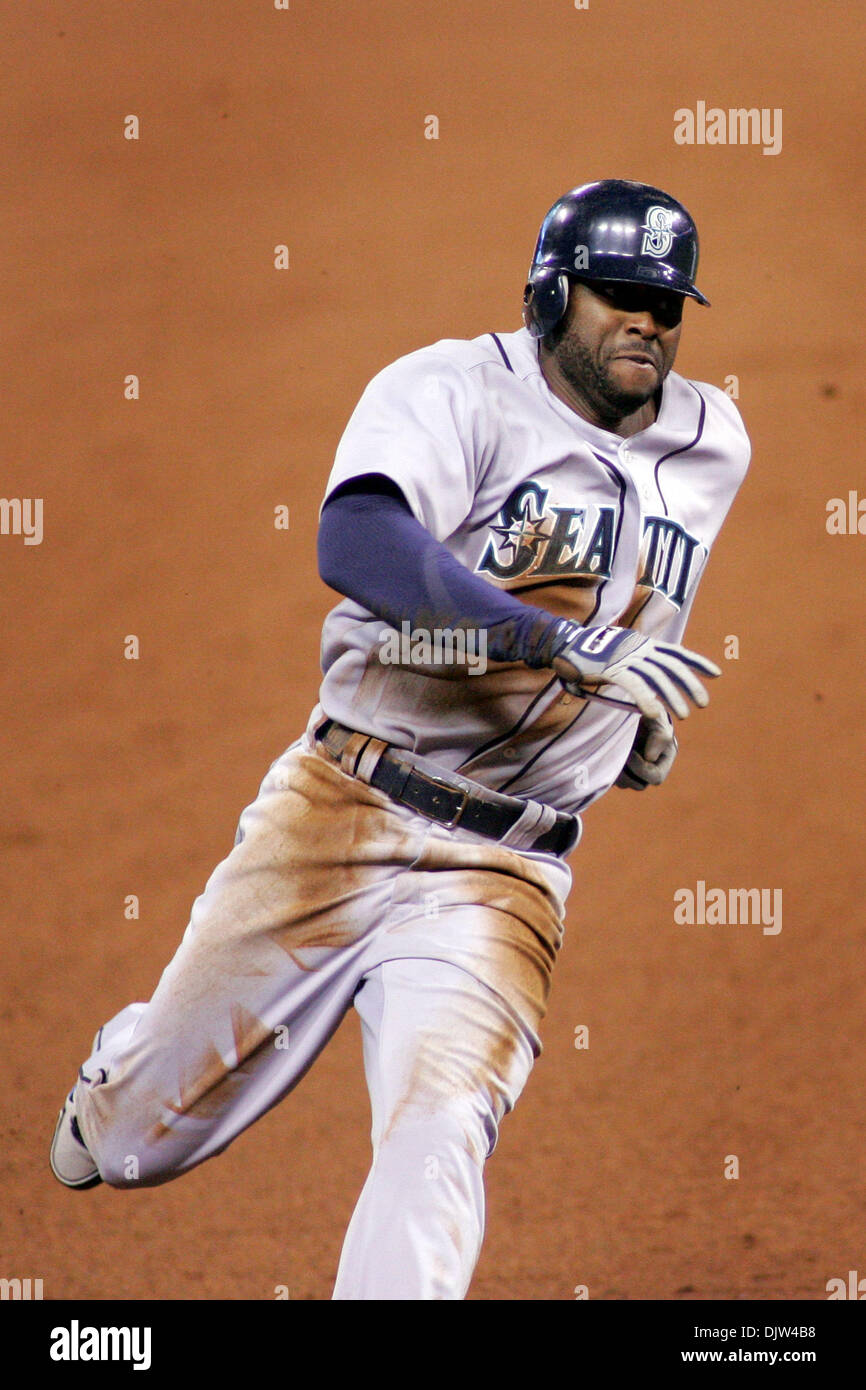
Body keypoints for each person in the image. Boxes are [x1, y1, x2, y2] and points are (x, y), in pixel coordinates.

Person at [50, 179, 750, 1300]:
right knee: (133, 1144)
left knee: (440, 1125)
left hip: (503, 873)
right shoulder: (450, 391)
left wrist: (625, 727)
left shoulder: (714, 443)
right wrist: (548, 644)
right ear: (549, 295)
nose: (646, 322)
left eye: (666, 303)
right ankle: (121, 1076)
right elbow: (357, 539)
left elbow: (639, 602)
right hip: (345, 805)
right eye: (616, 294)